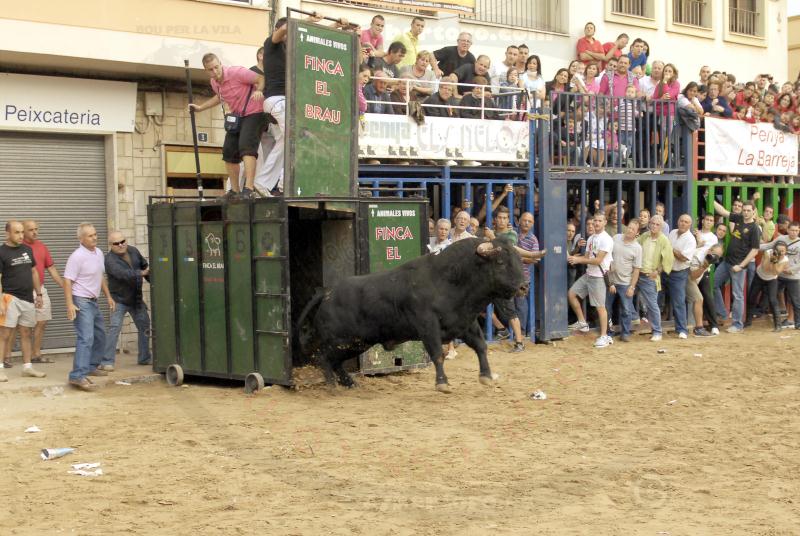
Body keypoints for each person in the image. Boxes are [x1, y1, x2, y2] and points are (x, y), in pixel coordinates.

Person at [189, 53, 265, 199]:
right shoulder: (214, 82)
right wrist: (200, 108)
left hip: (255, 112)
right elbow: (220, 97)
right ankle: (234, 191)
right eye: (210, 69)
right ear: (206, 70)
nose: (215, 71)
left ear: (220, 64)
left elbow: (261, 78)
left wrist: (259, 90)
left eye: (216, 67)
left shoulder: (236, 72)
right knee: (228, 152)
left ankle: (249, 189)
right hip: (237, 117)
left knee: (246, 147)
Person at [64, 223, 116, 391]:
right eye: (90, 235)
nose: (94, 238)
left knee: (100, 335)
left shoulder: (98, 252)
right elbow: (67, 280)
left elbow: (100, 276)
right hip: (81, 301)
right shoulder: (77, 256)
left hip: (93, 301)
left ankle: (91, 366)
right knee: (86, 338)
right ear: (81, 239)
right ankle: (77, 376)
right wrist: (69, 304)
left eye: (95, 234)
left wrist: (108, 296)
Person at [0, 221, 47, 382]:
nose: (21, 236)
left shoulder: (27, 250)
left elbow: (34, 272)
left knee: (26, 333)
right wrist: (0, 300)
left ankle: (27, 367)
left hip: (28, 298)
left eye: (22, 232)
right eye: (17, 232)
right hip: (9, 297)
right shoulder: (1, 252)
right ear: (7, 233)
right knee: (4, 334)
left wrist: (38, 294)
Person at [14, 220, 63, 366]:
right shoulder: (17, 247)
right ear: (23, 231)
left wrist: (64, 285)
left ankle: (36, 354)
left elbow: (51, 268)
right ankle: (7, 358)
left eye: (36, 229)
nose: (35, 232)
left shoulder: (41, 246)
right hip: (21, 291)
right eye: (31, 230)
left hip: (40, 289)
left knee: (42, 321)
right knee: (17, 326)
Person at [101, 231, 151, 371]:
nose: (121, 245)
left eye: (123, 241)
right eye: (116, 243)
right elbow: (123, 274)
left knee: (145, 327)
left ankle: (144, 358)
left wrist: (152, 278)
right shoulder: (109, 260)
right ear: (111, 245)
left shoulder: (133, 251)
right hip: (119, 300)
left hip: (136, 298)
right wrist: (142, 273)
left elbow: (144, 265)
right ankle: (107, 361)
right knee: (115, 328)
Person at [567, 212, 614, 348]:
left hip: (598, 277)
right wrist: (575, 258)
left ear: (605, 222)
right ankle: (582, 322)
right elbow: (587, 257)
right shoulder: (591, 238)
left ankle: (604, 336)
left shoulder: (606, 239)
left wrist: (577, 260)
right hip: (589, 274)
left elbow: (598, 260)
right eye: (595, 221)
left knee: (600, 307)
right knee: (571, 294)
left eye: (599, 221)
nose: (596, 223)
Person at [713, 201, 760, 333]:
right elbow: (723, 211)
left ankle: (737, 324)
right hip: (727, 262)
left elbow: (755, 250)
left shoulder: (754, 228)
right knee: (713, 284)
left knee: (738, 295)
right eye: (744, 210)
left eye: (748, 210)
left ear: (753, 211)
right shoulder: (739, 218)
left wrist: (741, 265)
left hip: (738, 265)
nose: (746, 212)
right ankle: (723, 313)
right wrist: (708, 196)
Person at [491, 207, 526, 352]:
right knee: (478, 306)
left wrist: (491, 238)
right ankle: (501, 329)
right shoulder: (490, 232)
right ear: (495, 219)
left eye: (505, 218)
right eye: (499, 217)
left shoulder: (512, 234)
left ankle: (519, 342)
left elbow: (507, 249)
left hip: (506, 279)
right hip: (490, 278)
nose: (502, 220)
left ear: (508, 220)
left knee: (510, 310)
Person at [636, 215, 674, 341]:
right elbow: (635, 248)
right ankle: (632, 322)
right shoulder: (644, 236)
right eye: (652, 223)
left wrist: (657, 271)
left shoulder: (664, 240)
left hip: (649, 277)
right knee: (626, 296)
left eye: (657, 224)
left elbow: (668, 260)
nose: (654, 226)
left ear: (661, 227)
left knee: (652, 305)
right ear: (649, 224)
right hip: (637, 274)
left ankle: (657, 331)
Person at [762, 221, 800, 330]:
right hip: (779, 274)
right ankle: (778, 320)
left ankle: (797, 323)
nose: (794, 232)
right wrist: (753, 246)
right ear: (788, 230)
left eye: (796, 230)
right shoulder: (781, 239)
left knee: (795, 301)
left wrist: (791, 270)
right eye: (792, 230)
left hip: (794, 276)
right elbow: (768, 246)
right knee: (771, 294)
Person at [745, 243, 789, 332]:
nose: (780, 253)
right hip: (759, 276)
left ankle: (778, 326)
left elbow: (776, 272)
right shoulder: (768, 253)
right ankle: (748, 321)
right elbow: (765, 268)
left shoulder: (785, 259)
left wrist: (774, 261)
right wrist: (772, 259)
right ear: (774, 250)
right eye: (778, 250)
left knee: (773, 300)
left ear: (786, 252)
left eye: (782, 251)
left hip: (772, 279)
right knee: (751, 297)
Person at [516, 212, 546, 337]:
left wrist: (517, 257)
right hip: (509, 275)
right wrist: (525, 257)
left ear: (533, 224)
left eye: (529, 221)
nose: (526, 223)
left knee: (521, 304)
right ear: (519, 221)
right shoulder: (513, 233)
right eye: (524, 220)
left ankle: (522, 331)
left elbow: (535, 260)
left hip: (523, 277)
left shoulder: (533, 239)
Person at [668, 214, 697, 339]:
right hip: (666, 270)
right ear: (678, 221)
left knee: (678, 301)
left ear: (690, 225)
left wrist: (671, 249)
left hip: (679, 273)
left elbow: (683, 258)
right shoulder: (672, 233)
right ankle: (656, 327)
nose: (683, 223)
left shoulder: (690, 239)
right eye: (681, 221)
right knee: (658, 299)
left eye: (686, 222)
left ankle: (682, 330)